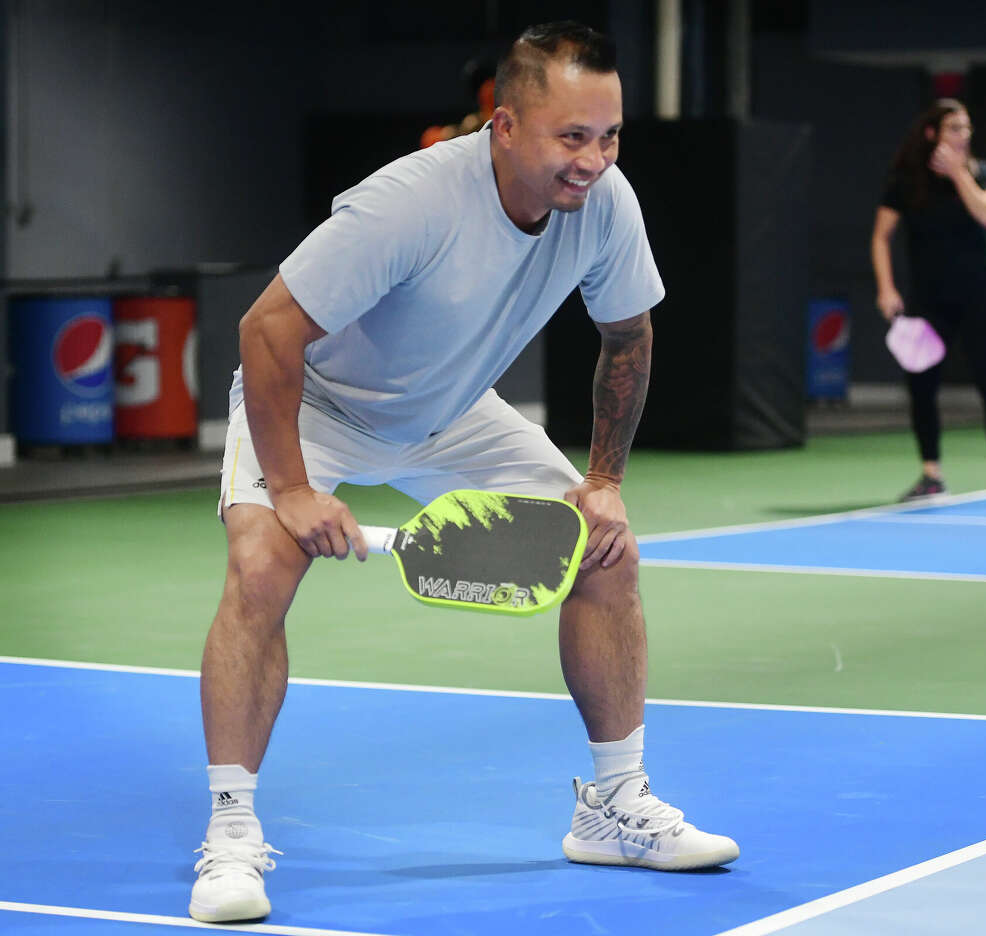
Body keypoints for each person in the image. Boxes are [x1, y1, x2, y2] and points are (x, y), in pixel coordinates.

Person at [189, 21, 738, 925]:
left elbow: (627, 336)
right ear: (506, 124)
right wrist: (290, 491)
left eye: (609, 136)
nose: (594, 161)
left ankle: (613, 806)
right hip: (314, 403)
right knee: (260, 566)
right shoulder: (408, 202)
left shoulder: (605, 203)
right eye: (573, 137)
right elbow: (266, 330)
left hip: (446, 411)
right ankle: (231, 831)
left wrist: (604, 480)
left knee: (606, 550)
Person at [871, 99, 986, 502]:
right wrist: (886, 288)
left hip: (983, 296)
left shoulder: (984, 173)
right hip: (929, 302)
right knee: (922, 386)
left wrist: (960, 174)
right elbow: (880, 236)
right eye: (954, 129)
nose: (964, 135)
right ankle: (931, 475)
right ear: (932, 134)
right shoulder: (906, 182)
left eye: (967, 129)